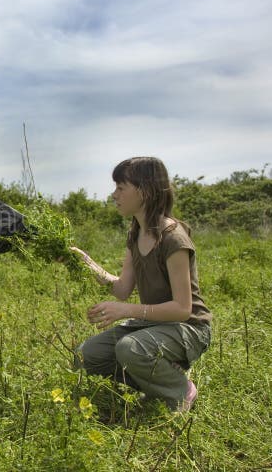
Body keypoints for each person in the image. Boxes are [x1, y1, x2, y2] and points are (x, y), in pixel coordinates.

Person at [70, 157, 212, 412]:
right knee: (86, 355)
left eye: (121, 187)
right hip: (154, 325)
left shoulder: (173, 239)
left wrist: (127, 311)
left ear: (145, 191)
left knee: (129, 349)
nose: (114, 195)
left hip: (189, 328)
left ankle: (180, 389)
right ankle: (157, 384)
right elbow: (123, 288)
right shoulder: (135, 233)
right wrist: (85, 263)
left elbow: (182, 309)